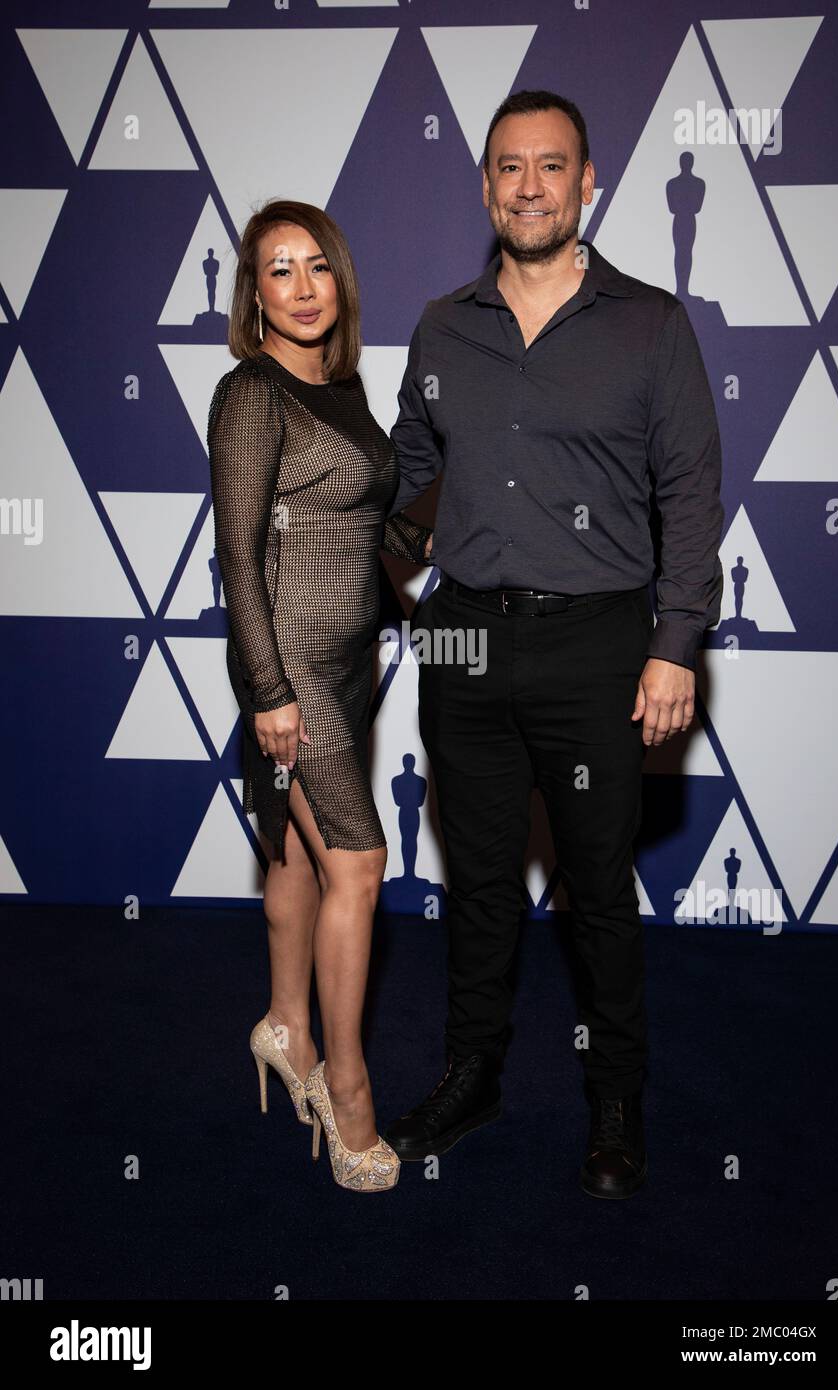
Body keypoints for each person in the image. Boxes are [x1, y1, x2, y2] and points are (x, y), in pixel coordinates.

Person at [382, 91, 724, 1199]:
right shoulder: (442, 325)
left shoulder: (650, 322)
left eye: (550, 166)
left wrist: (674, 642)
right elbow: (402, 474)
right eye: (506, 166)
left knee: (596, 889)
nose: (527, 184)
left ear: (586, 184)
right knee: (475, 880)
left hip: (598, 641)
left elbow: (688, 491)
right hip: (462, 637)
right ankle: (470, 1076)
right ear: (483, 186)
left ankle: (614, 1099)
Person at [207, 199, 434, 1192]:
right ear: (253, 296)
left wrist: (454, 502)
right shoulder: (249, 393)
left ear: (339, 280)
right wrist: (266, 690)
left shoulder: (343, 390)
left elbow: (375, 535)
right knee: (358, 858)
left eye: (317, 268)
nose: (302, 288)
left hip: (353, 659)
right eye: (278, 271)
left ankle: (284, 1025)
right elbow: (237, 555)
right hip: (288, 666)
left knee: (296, 848)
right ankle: (347, 1089)